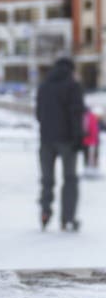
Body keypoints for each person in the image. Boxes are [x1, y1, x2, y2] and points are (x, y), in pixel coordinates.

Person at [36, 57, 84, 231]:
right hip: (68, 140)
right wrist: (79, 138)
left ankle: (45, 213)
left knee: (47, 180)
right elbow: (76, 113)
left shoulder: (44, 86)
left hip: (46, 140)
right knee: (70, 179)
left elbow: (38, 114)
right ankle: (68, 218)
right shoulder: (73, 85)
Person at [81, 107, 100, 178]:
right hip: (88, 140)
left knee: (92, 155)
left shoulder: (89, 116)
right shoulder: (87, 116)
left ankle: (94, 169)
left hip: (91, 140)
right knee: (88, 155)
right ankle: (88, 169)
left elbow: (93, 128)